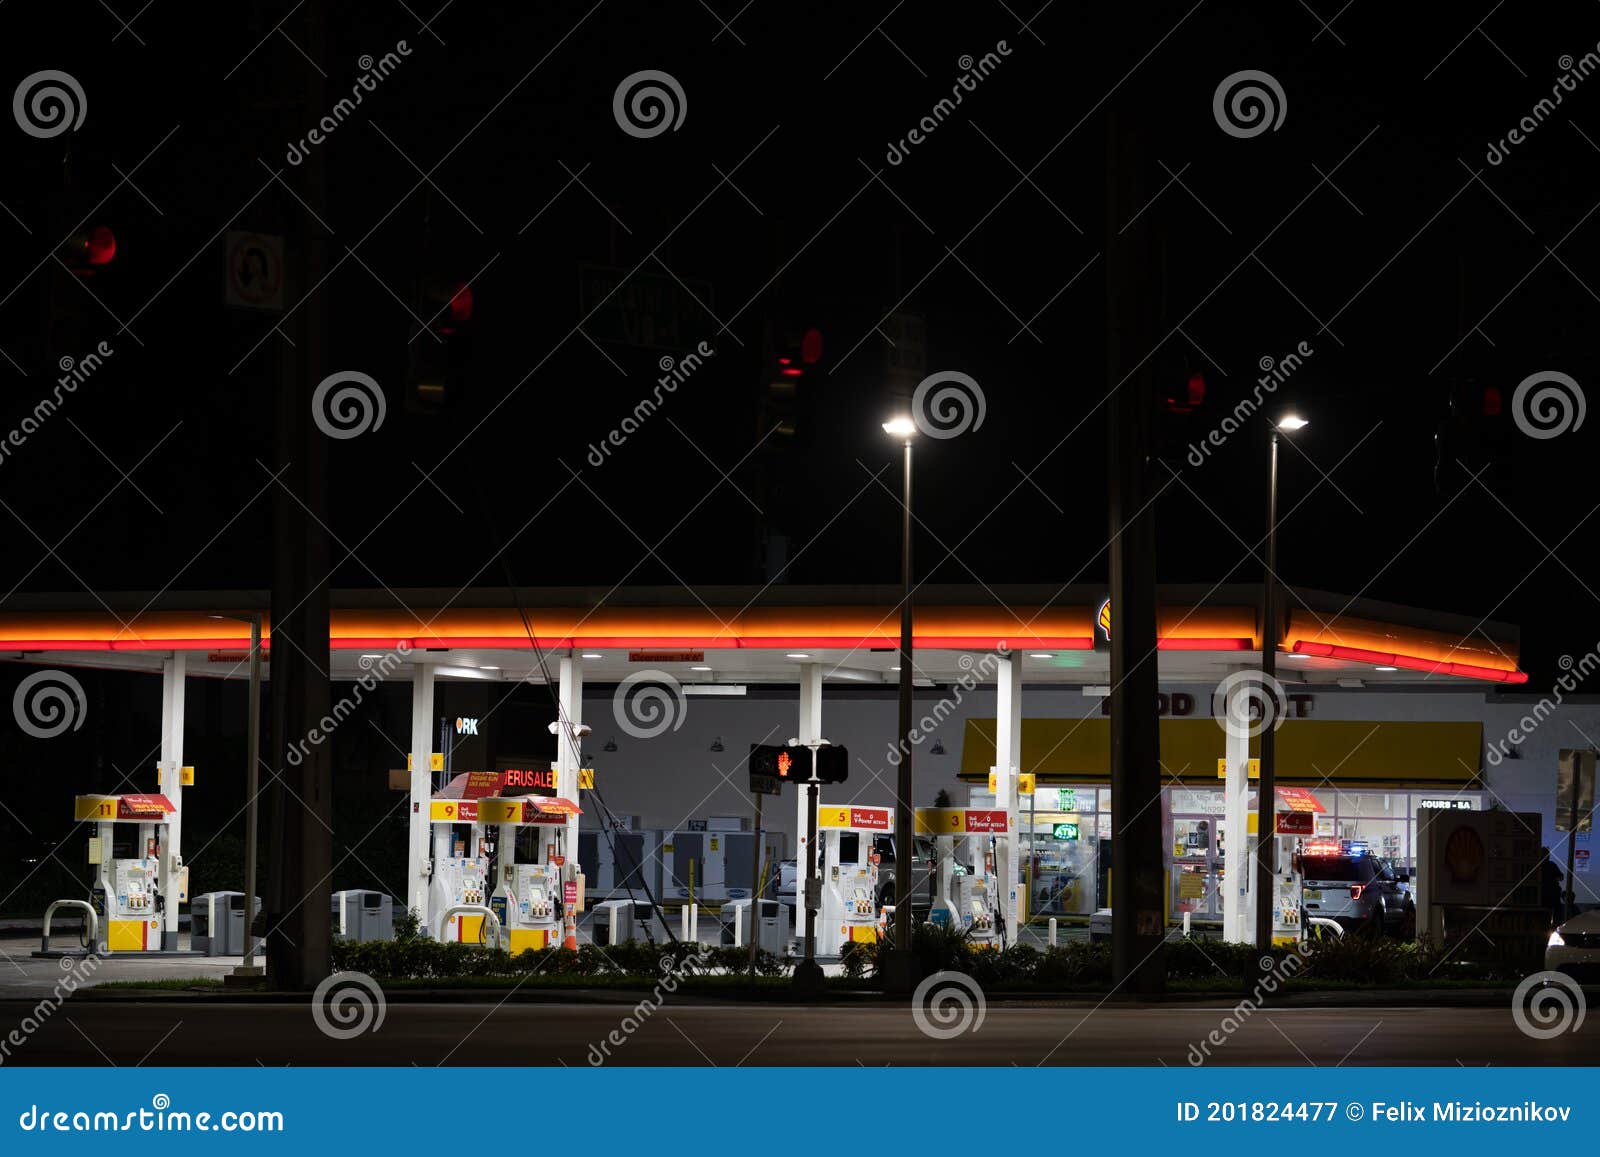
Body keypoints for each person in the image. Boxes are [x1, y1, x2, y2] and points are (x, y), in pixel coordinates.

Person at [1540, 847, 1566, 927]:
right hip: (1549, 896)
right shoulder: (1551, 865)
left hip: (1548, 895)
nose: (1548, 856)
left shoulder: (1551, 865)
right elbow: (1561, 877)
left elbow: (1561, 877)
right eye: (1547, 854)